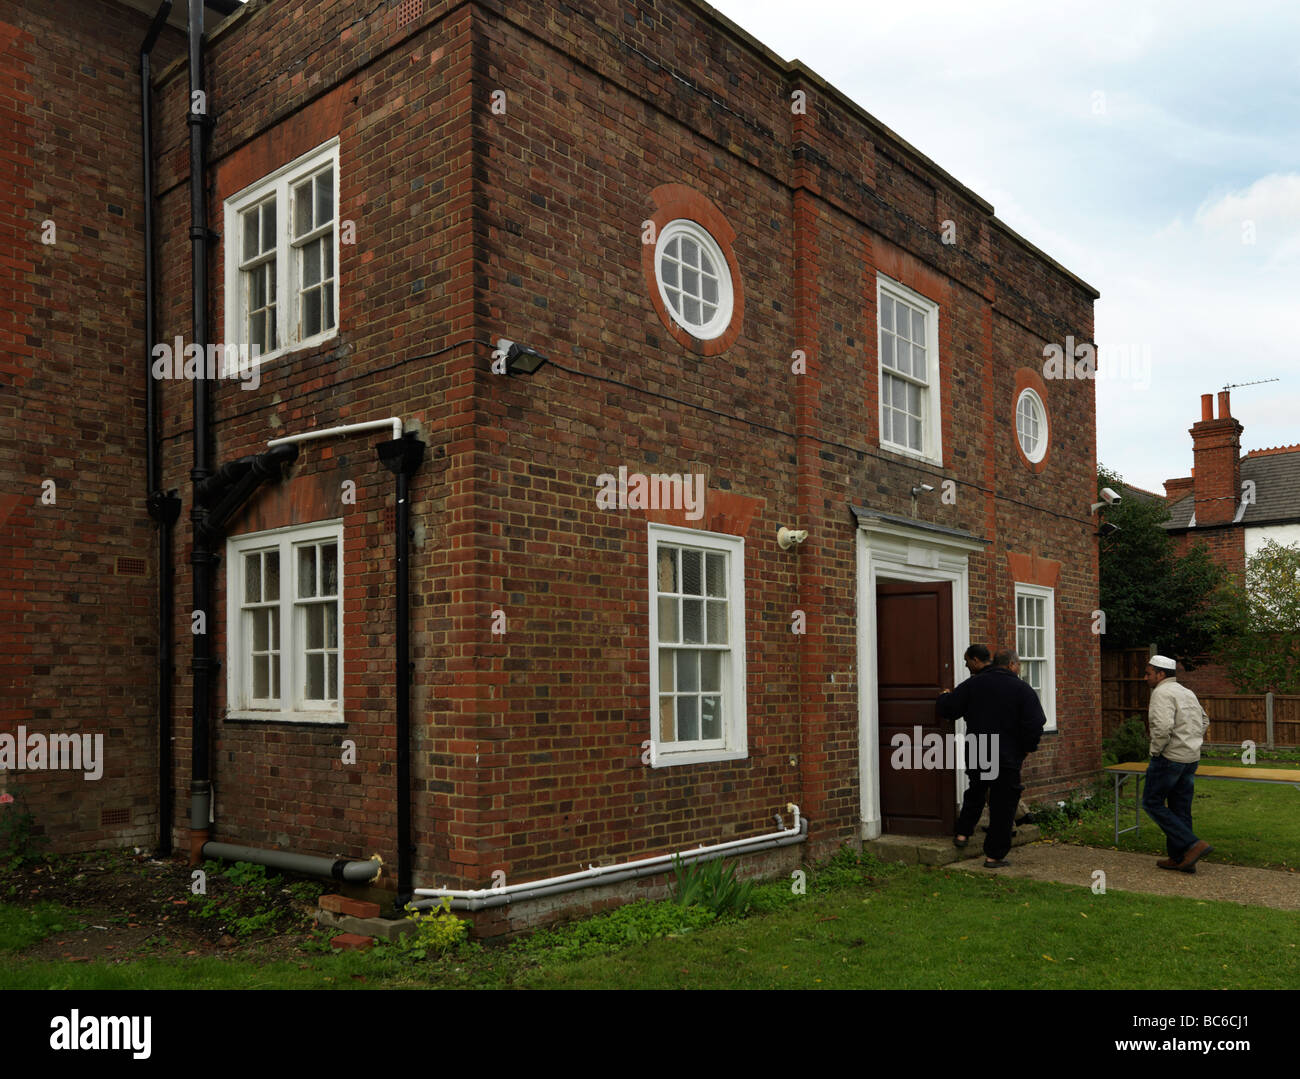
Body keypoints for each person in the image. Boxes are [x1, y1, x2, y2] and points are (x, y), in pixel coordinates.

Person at [936, 648, 1046, 868]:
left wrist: (943, 697)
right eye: (1019, 665)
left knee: (976, 791)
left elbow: (949, 709)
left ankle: (962, 834)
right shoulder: (1022, 689)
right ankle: (994, 855)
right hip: (1007, 754)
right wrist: (1026, 749)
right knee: (1003, 805)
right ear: (1012, 665)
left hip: (979, 748)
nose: (1019, 669)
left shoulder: (974, 684)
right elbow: (1035, 725)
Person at [1142, 655, 1212, 872]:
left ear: (1161, 674)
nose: (1145, 678)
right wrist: (1190, 741)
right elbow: (1204, 721)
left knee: (1152, 802)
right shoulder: (1186, 692)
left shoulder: (1161, 693)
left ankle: (1193, 844)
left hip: (1169, 758)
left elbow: (1162, 727)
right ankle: (1181, 859)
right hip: (1191, 758)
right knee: (1180, 809)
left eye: (1148, 673)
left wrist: (1155, 751)